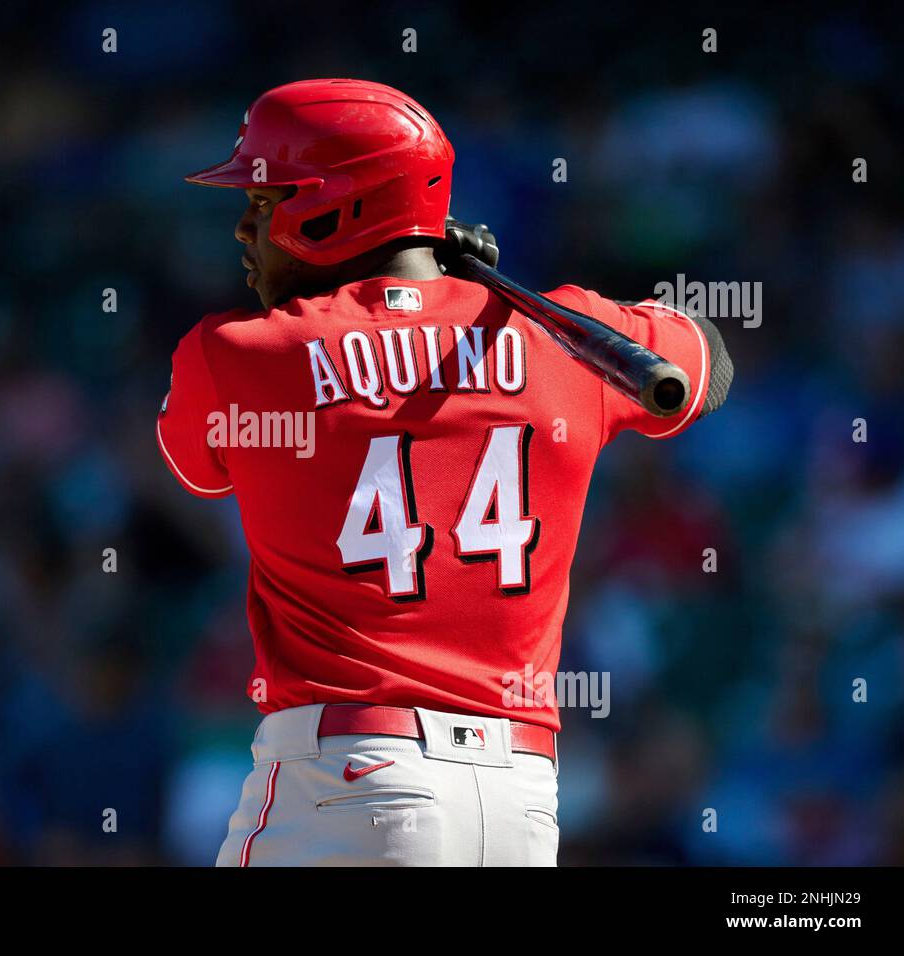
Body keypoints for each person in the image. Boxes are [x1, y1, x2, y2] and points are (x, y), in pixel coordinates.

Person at [158, 78, 733, 866]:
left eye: (266, 201)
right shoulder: (563, 336)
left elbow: (199, 471)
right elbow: (709, 360)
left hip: (344, 782)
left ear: (334, 210)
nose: (243, 228)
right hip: (521, 803)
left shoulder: (240, 354)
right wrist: (477, 297)